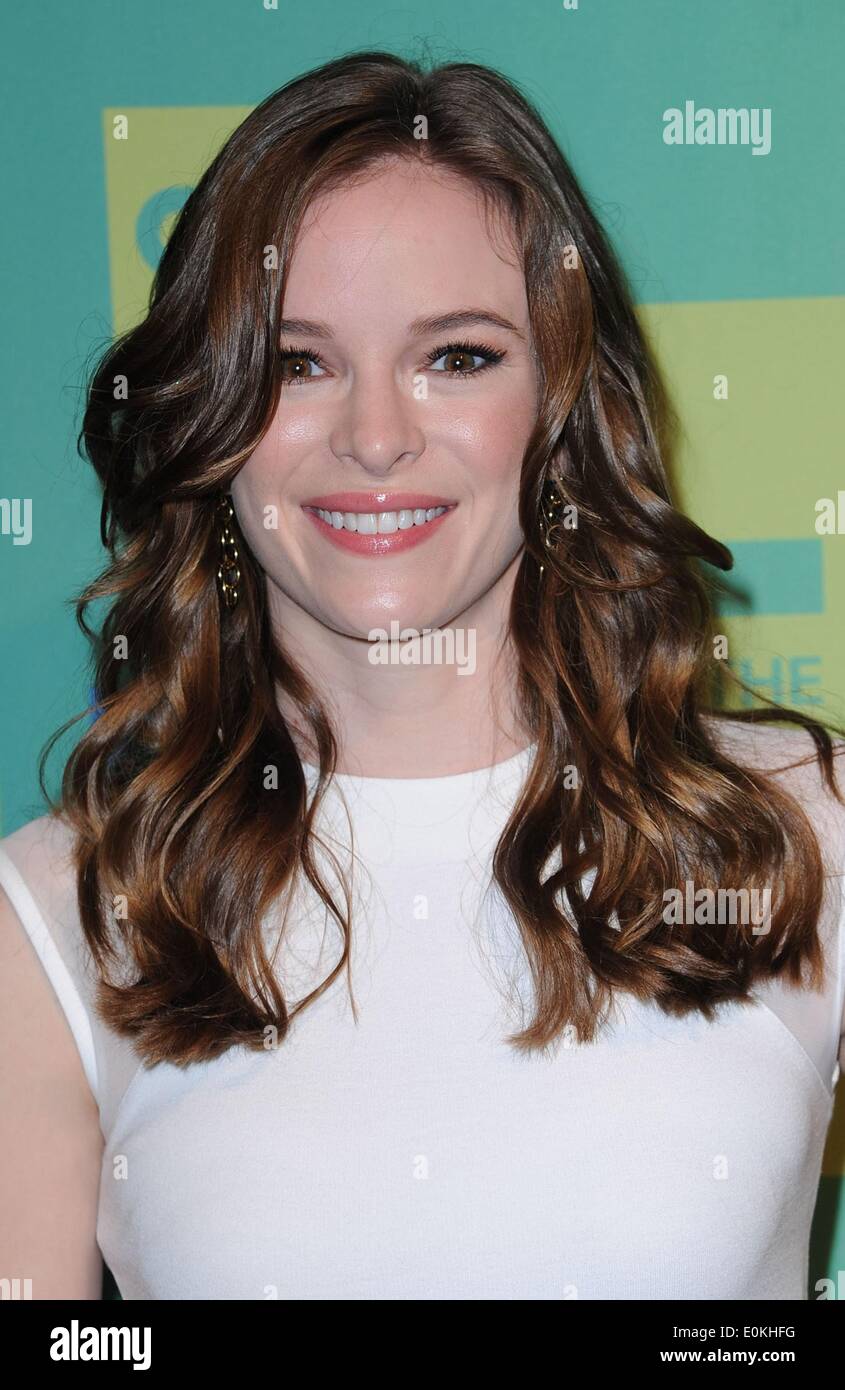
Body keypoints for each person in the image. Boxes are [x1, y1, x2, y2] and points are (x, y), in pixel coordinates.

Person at [1, 50, 843, 1302]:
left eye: (456, 355)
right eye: (297, 363)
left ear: (560, 401)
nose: (377, 437)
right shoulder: (56, 916)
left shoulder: (805, 829)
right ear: (210, 417)